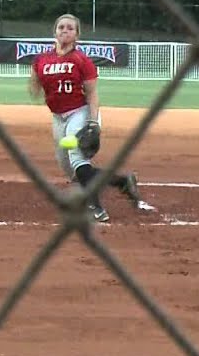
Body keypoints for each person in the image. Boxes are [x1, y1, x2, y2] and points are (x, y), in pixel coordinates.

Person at [28, 13, 141, 223]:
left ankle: (96, 207)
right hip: (58, 118)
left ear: (77, 35)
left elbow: (91, 93)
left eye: (70, 28)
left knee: (78, 159)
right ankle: (121, 181)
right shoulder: (42, 59)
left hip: (80, 112)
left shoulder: (81, 60)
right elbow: (35, 86)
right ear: (55, 31)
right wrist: (34, 79)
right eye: (61, 27)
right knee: (72, 171)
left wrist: (92, 121)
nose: (65, 31)